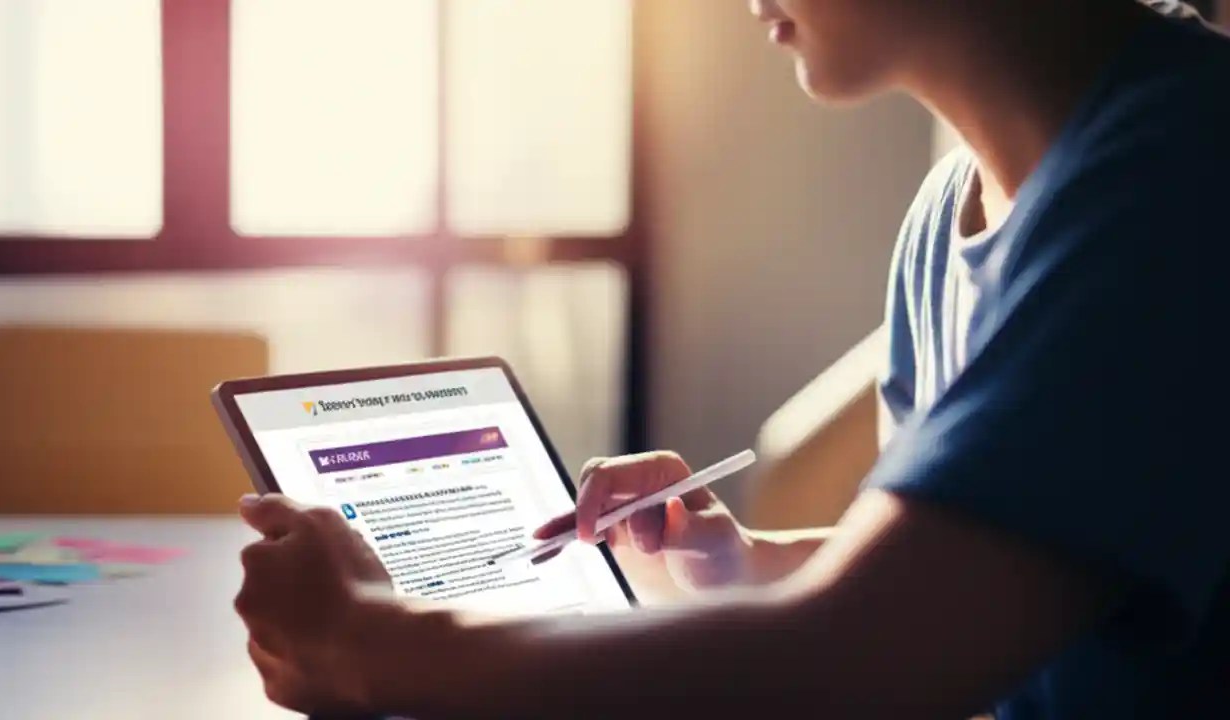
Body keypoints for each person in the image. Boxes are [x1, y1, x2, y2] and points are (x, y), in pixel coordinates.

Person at [233, 0, 1227, 717]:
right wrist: (744, 567)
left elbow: (869, 661)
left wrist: (375, 647)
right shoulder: (948, 212)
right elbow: (985, 585)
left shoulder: (1180, 168)